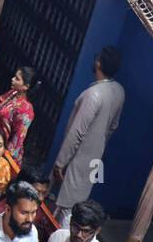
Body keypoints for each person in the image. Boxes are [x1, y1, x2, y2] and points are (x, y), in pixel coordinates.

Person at [52, 46, 125, 220]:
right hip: (96, 157)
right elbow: (113, 126)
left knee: (67, 207)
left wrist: (60, 163)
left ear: (98, 63)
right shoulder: (119, 91)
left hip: (79, 158)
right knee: (82, 197)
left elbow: (77, 132)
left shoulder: (93, 94)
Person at [0, 67, 36, 165]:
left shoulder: (26, 110)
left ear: (26, 86)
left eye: (17, 79)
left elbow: (17, 141)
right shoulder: (13, 93)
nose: (12, 79)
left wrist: (3, 160)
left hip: (2, 154)